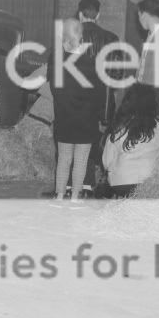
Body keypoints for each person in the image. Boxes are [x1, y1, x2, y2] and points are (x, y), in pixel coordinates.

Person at [47, 19, 107, 203]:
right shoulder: (93, 63)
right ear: (82, 37)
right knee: (81, 161)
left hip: (64, 117)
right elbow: (100, 95)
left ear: (64, 38)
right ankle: (75, 197)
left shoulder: (55, 60)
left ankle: (59, 195)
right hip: (86, 120)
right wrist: (98, 115)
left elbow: (53, 87)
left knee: (63, 159)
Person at [76, 0, 124, 194]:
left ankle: (78, 182)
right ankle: (97, 181)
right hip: (102, 101)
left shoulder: (71, 37)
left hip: (75, 100)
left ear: (80, 14)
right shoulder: (111, 38)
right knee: (100, 142)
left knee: (76, 142)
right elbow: (118, 74)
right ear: (98, 15)